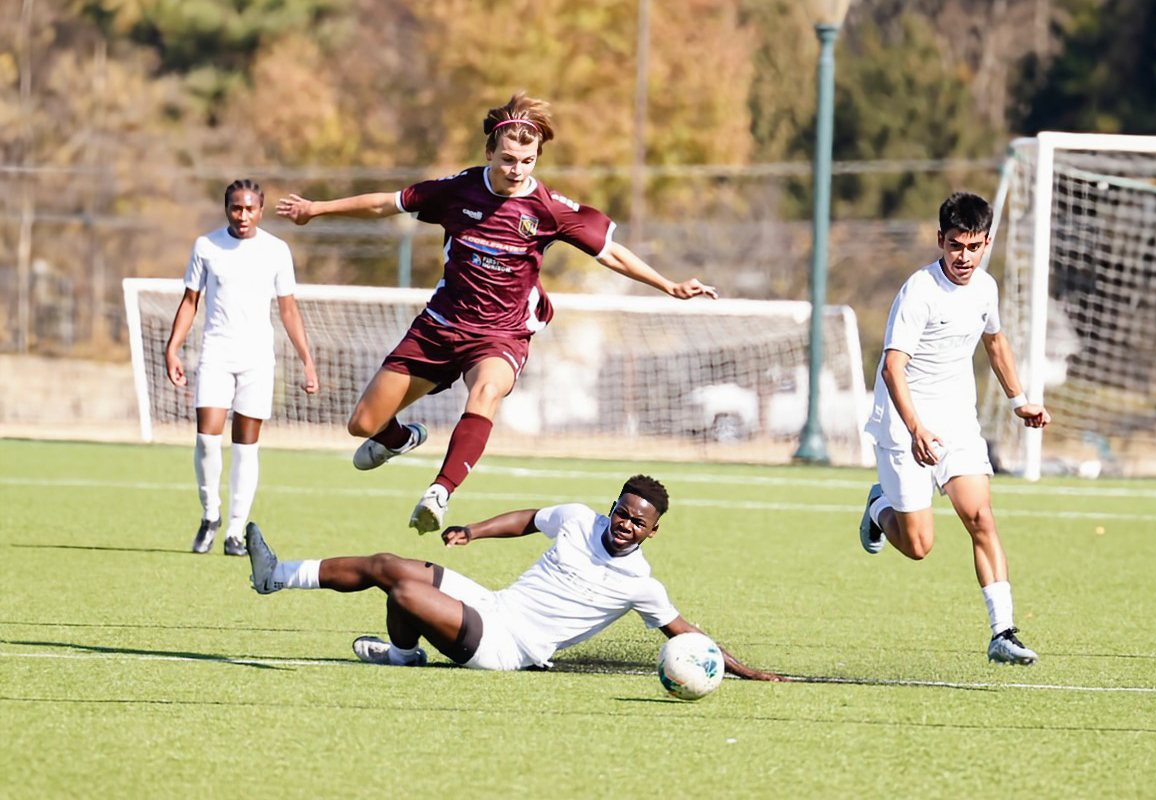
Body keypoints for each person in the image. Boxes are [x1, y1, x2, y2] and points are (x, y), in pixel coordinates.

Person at [275, 92, 718, 535]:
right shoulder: (457, 191)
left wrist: (668, 285)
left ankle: (440, 492)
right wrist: (316, 209)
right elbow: (386, 203)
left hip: (501, 335)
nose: (517, 169)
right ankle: (401, 438)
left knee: (485, 391)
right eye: (508, 159)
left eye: (527, 161)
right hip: (440, 326)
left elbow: (610, 252)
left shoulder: (549, 209)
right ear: (489, 152)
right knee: (363, 424)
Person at [246, 474, 784, 681]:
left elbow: (688, 635)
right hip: (493, 605)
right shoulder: (578, 518)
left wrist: (745, 671)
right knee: (388, 564)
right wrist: (473, 531)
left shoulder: (642, 585)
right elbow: (529, 519)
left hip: (507, 647)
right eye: (622, 513)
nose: (625, 525)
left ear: (652, 531)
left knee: (405, 592)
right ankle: (277, 575)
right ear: (613, 507)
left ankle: (403, 655)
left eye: (637, 523)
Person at [859, 191, 1052, 665]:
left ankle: (1002, 632)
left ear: (986, 243)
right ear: (940, 240)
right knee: (919, 546)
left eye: (973, 247)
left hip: (957, 422)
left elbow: (995, 341)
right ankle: (879, 506)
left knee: (980, 516)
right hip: (904, 423)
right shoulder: (920, 291)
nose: (963, 257)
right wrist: (916, 430)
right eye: (955, 246)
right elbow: (892, 368)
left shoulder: (985, 288)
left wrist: (1020, 401)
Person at [165, 179, 319, 556]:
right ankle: (210, 514)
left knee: (246, 446)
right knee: (207, 438)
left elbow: (288, 310)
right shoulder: (206, 246)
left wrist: (307, 359)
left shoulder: (276, 251)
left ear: (261, 211)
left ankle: (235, 529)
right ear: (227, 209)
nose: (243, 215)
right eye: (237, 208)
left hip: (257, 360)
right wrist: (173, 348)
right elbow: (190, 302)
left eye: (250, 208)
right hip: (216, 354)